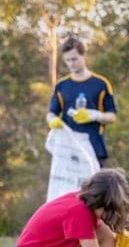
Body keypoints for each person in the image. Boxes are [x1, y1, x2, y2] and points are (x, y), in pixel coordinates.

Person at [46, 36, 117, 167]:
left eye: (74, 59)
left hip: (95, 148)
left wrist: (95, 115)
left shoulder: (101, 83)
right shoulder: (61, 86)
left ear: (83, 55)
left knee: (95, 187)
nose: (71, 63)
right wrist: (53, 121)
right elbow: (51, 114)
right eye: (67, 60)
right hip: (68, 150)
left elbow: (112, 116)